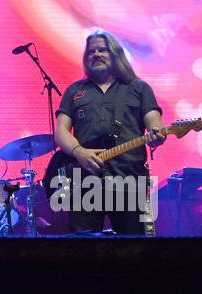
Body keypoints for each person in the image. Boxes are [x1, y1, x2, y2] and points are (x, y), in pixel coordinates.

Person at [52, 30, 166, 234]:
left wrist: (157, 134)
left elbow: (154, 123)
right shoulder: (74, 91)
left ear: (115, 53)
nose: (96, 54)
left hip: (129, 180)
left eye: (102, 50)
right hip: (83, 182)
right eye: (91, 51)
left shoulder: (139, 88)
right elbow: (61, 131)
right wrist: (79, 151)